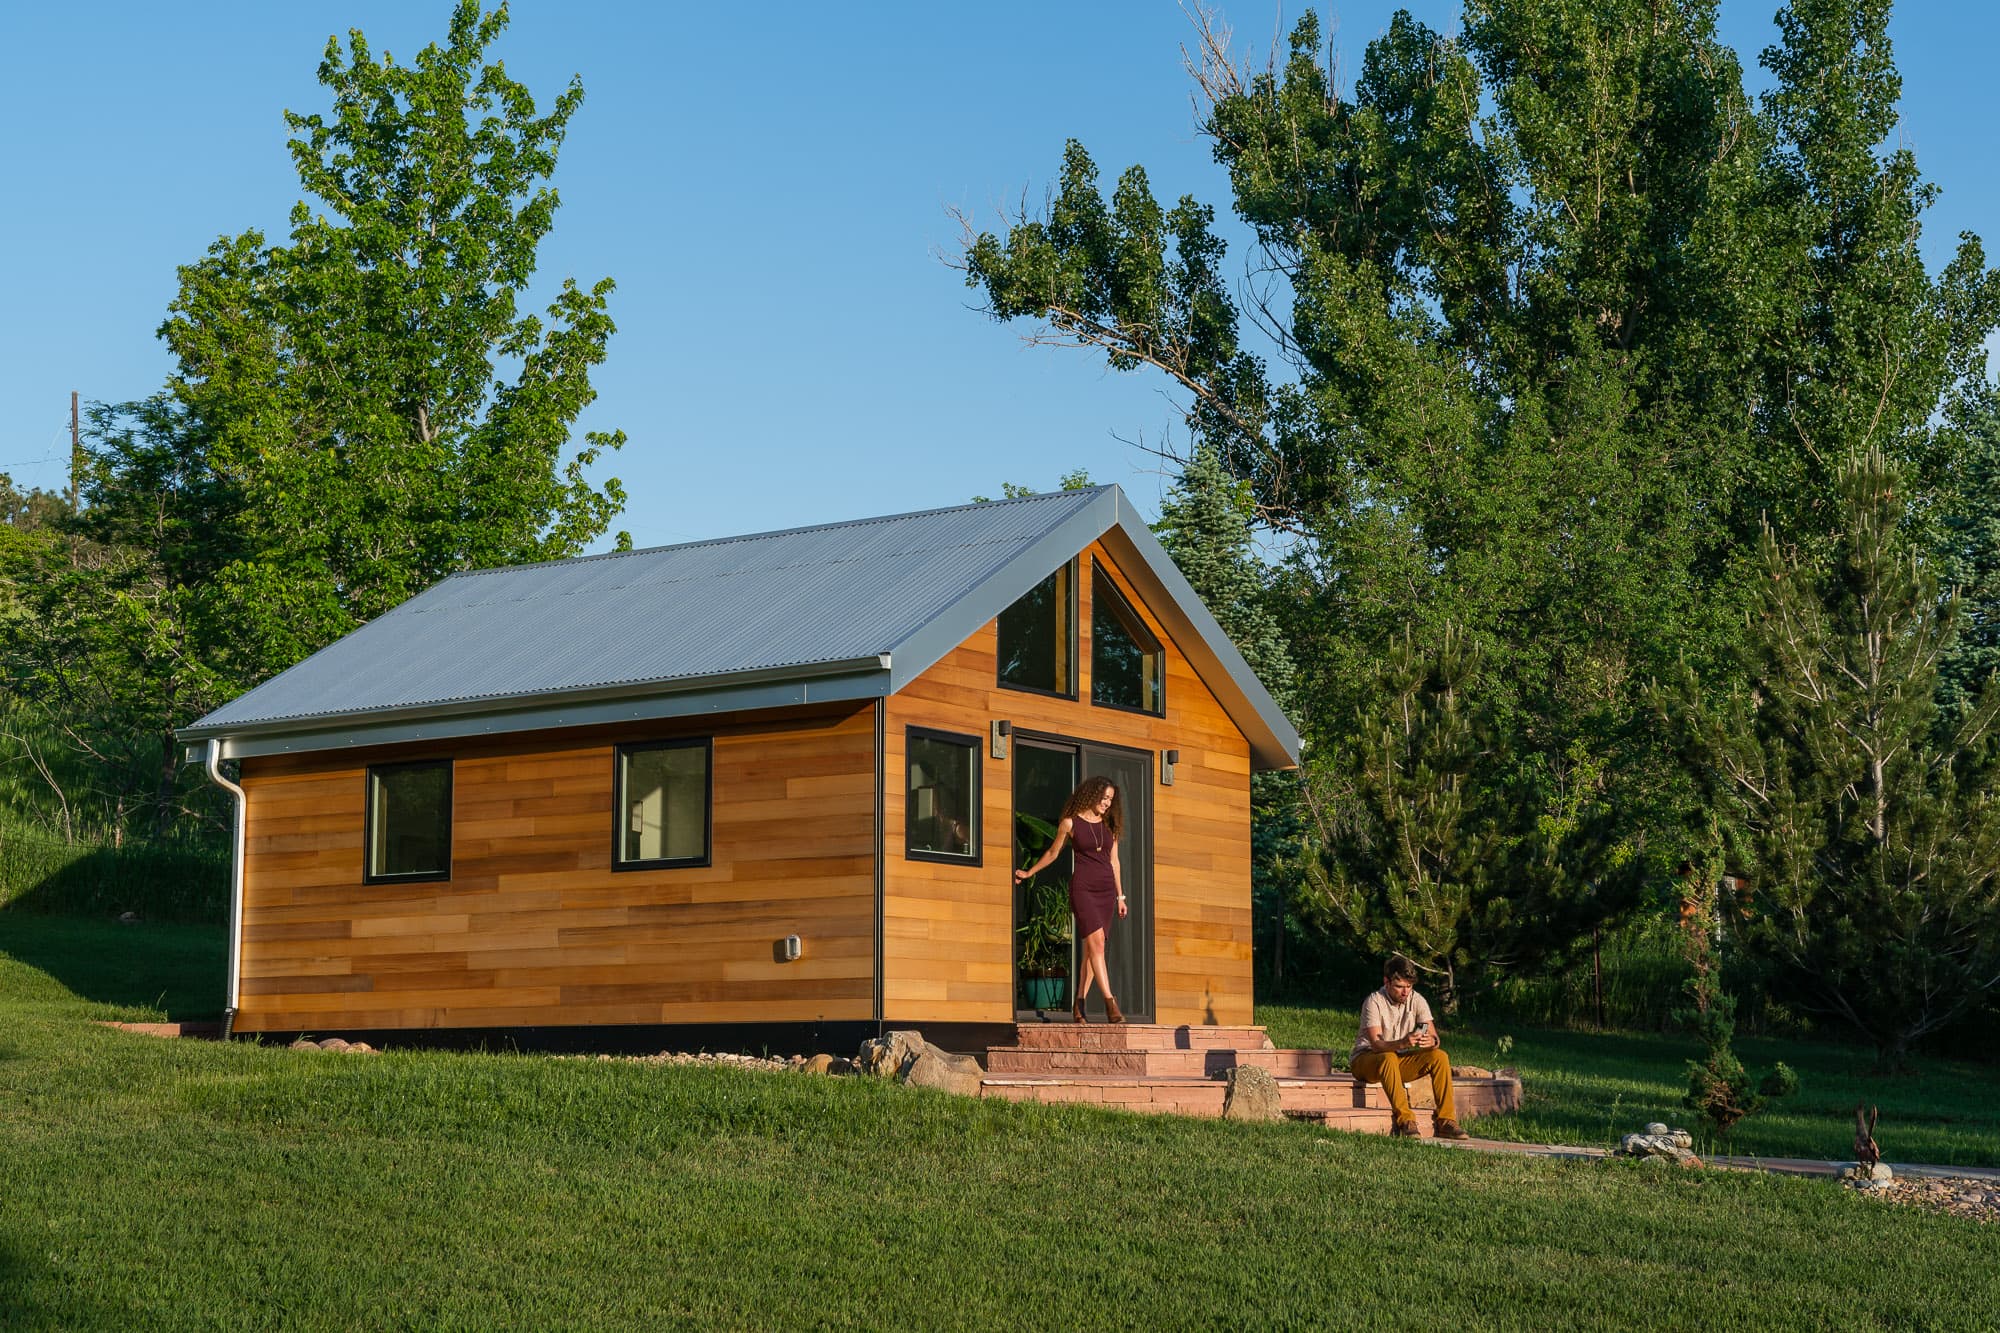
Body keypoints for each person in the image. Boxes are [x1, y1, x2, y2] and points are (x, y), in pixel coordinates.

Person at [1015, 776, 1127, 1023]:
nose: (1107, 803)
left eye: (1110, 799)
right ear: (1092, 794)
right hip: (1083, 890)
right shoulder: (1070, 823)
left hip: (1106, 892)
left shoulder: (1110, 826)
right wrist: (1029, 872)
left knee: (1092, 950)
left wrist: (1120, 896)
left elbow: (1115, 862)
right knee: (1097, 946)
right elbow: (1053, 853)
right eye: (1104, 798)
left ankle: (1079, 1003)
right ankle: (1111, 1003)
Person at [1350, 955, 1470, 1140]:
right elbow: (1376, 1044)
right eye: (1400, 987)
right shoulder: (1374, 1002)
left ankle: (1446, 1120)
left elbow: (1435, 1037)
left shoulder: (1417, 1000)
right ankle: (1406, 1120)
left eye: (1409, 986)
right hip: (1366, 1060)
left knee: (1439, 1056)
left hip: (1397, 1061)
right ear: (1386, 982)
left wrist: (1431, 1042)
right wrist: (1403, 1043)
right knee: (1388, 1056)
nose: (1405, 992)